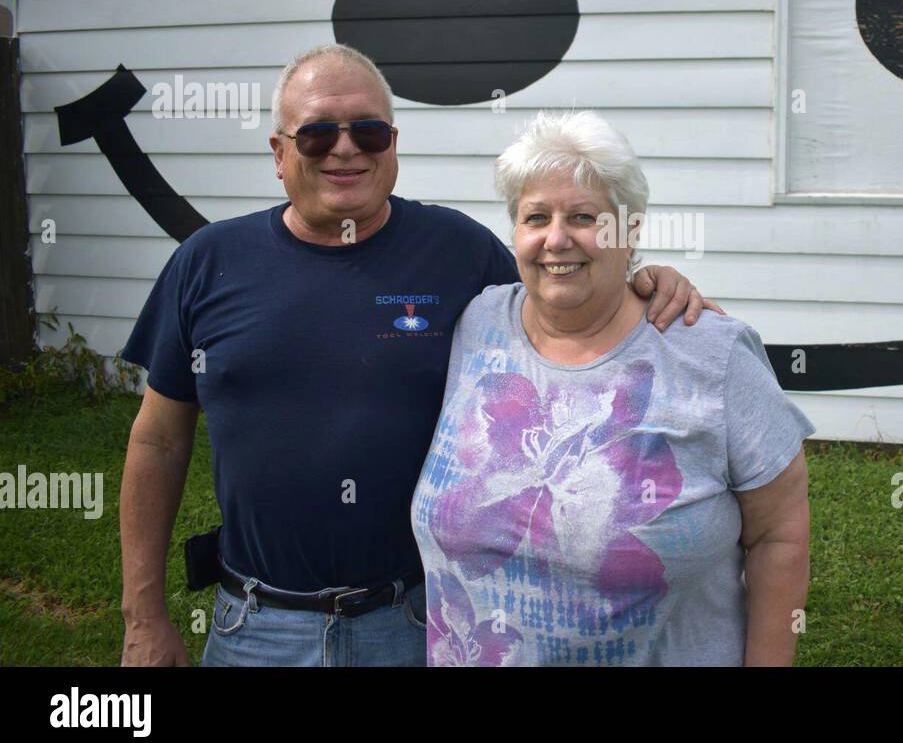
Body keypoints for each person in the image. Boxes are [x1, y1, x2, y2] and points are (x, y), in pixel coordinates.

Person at [118, 44, 713, 666]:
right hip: (256, 627)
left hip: (419, 623)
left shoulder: (458, 252)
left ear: (393, 143)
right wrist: (143, 615)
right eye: (318, 134)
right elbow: (157, 442)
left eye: (369, 131)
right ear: (279, 153)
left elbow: (566, 297)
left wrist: (642, 279)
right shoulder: (207, 264)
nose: (346, 149)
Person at [411, 109, 813, 666]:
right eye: (535, 217)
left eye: (583, 217)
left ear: (631, 231)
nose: (556, 239)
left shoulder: (711, 353)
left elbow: (780, 538)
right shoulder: (478, 322)